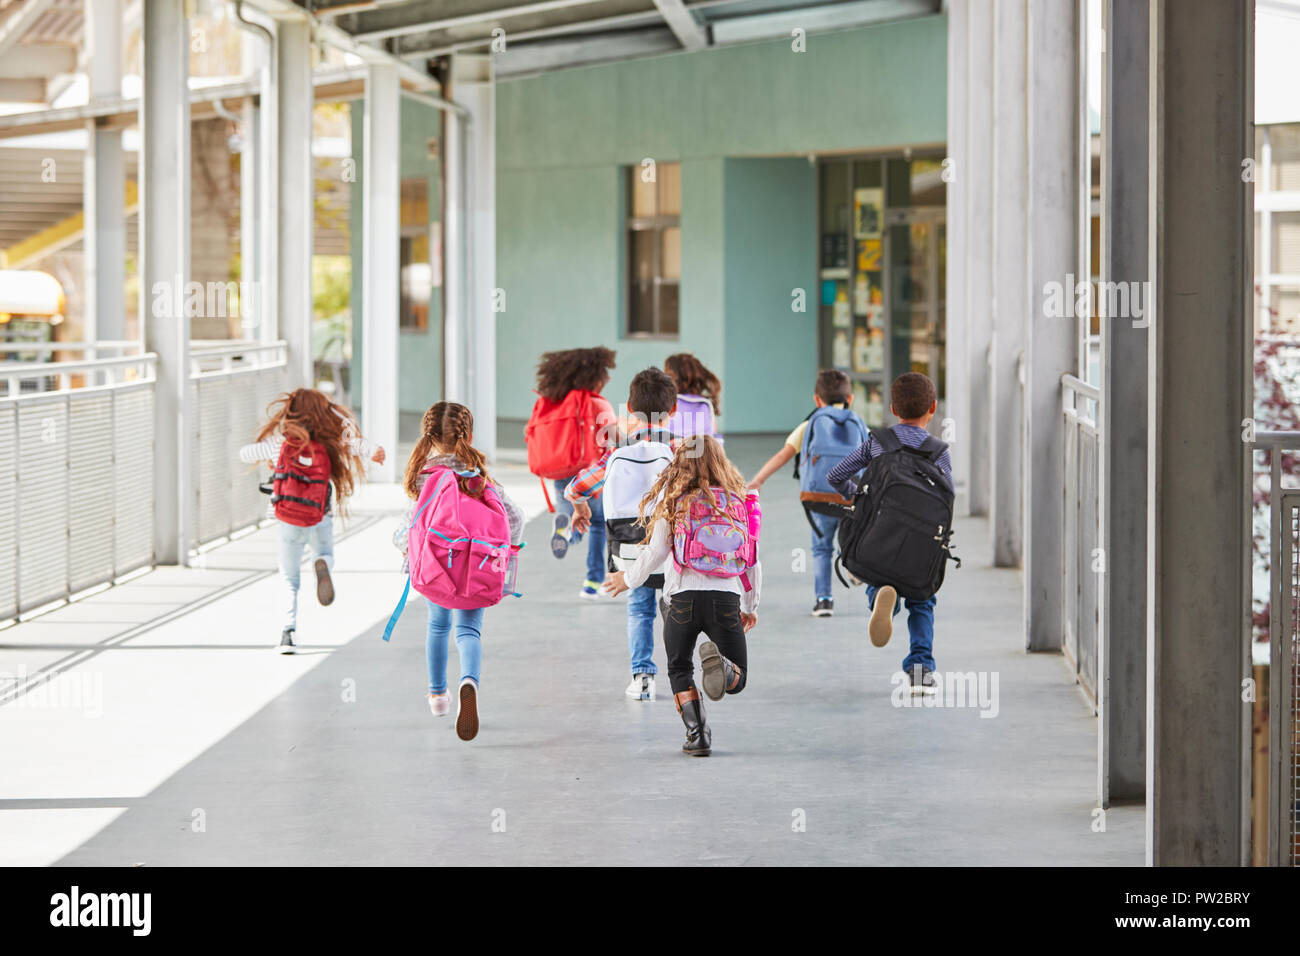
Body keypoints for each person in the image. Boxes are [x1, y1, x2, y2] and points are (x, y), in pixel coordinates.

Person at [603, 437, 761, 757]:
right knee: (739, 678)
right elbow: (752, 559)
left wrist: (628, 579)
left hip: (680, 599)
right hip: (725, 598)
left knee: (679, 667)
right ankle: (726, 670)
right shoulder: (737, 502)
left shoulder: (674, 500)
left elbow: (655, 553)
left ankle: (697, 734)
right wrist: (749, 605)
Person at [395, 402, 525, 740]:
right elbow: (515, 517)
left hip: (437, 569)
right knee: (468, 632)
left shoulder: (425, 477)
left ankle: (438, 696)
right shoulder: (478, 476)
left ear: (429, 436)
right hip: (476, 569)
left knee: (437, 626)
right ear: (467, 434)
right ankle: (469, 681)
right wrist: (504, 554)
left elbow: (408, 526)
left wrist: (407, 549)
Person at [826, 372, 952, 695]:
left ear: (893, 409)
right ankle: (921, 673)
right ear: (933, 408)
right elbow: (946, 499)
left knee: (877, 574)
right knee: (923, 601)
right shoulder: (939, 451)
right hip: (920, 548)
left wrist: (862, 497)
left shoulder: (879, 442)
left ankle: (883, 600)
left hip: (878, 540)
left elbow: (836, 476)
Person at [567, 367, 683, 700]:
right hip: (674, 549)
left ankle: (643, 678)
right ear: (673, 411)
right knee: (677, 606)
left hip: (628, 550)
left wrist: (581, 508)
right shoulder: (681, 451)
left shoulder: (617, 451)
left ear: (629, 407)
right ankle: (683, 672)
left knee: (639, 609)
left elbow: (576, 488)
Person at [240, 389, 384, 654]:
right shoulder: (328, 443)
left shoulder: (280, 444)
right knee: (325, 552)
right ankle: (321, 563)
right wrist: (374, 451)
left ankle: (288, 633)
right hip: (319, 514)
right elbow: (354, 445)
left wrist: (274, 462)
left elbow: (244, 453)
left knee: (289, 576)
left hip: (288, 519)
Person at [746, 369, 866, 618]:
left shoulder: (811, 424)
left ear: (816, 400)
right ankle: (853, 566)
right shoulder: (858, 423)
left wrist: (758, 480)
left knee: (822, 548)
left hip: (819, 497)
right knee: (852, 538)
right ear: (850, 398)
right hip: (851, 495)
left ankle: (824, 601)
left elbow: (784, 455)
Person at [526, 347, 617, 599]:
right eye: (604, 374)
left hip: (558, 471)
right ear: (593, 378)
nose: (607, 379)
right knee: (597, 523)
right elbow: (614, 436)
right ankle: (593, 581)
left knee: (572, 516)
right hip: (590, 474)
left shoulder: (551, 403)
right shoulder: (596, 403)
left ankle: (564, 532)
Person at [663, 353, 721, 439]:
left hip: (673, 450)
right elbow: (713, 435)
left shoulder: (667, 402)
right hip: (702, 450)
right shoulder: (705, 404)